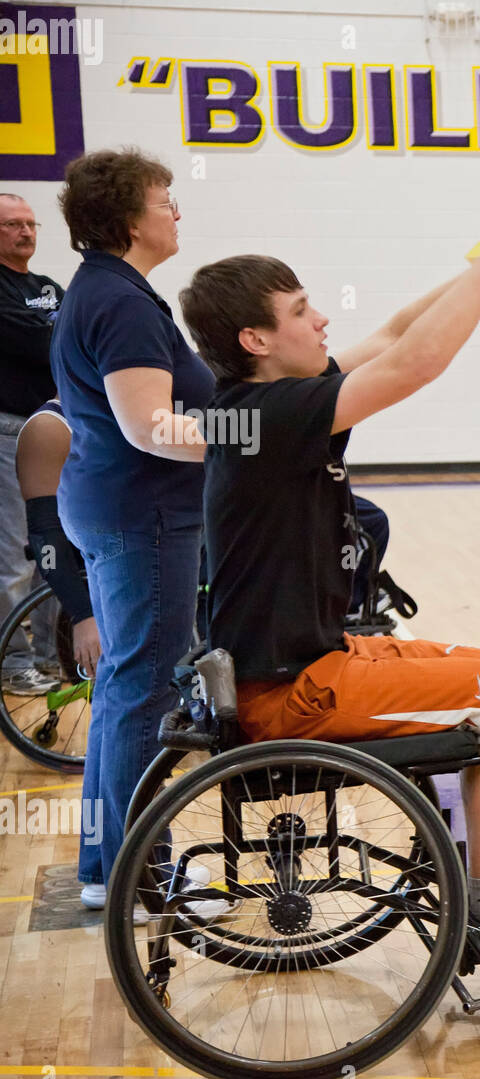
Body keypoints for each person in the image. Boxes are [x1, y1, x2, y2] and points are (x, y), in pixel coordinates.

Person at [177, 184, 480, 965]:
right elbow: (419, 360)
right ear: (257, 338)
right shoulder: (279, 417)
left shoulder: (253, 406)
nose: (322, 320)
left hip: (295, 660)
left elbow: (397, 332)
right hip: (292, 690)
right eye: (303, 310)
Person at [50, 149, 213, 912]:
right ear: (127, 219)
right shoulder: (117, 302)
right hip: (142, 512)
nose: (175, 211)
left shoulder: (108, 291)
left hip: (116, 503)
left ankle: (104, 864)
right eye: (164, 200)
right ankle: (141, 876)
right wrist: (255, 433)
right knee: (143, 689)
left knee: (124, 687)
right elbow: (151, 427)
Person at [0, 193, 65, 694]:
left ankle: (53, 657)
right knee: (15, 555)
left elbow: (71, 341)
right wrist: (60, 336)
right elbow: (46, 346)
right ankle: (12, 663)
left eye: (30, 223)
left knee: (57, 548)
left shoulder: (47, 287)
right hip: (10, 432)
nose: (25, 232)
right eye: (12, 225)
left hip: (57, 431)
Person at [15, 399, 100, 676]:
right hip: (97, 564)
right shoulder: (48, 428)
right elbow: (45, 542)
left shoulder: (135, 409)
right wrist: (83, 614)